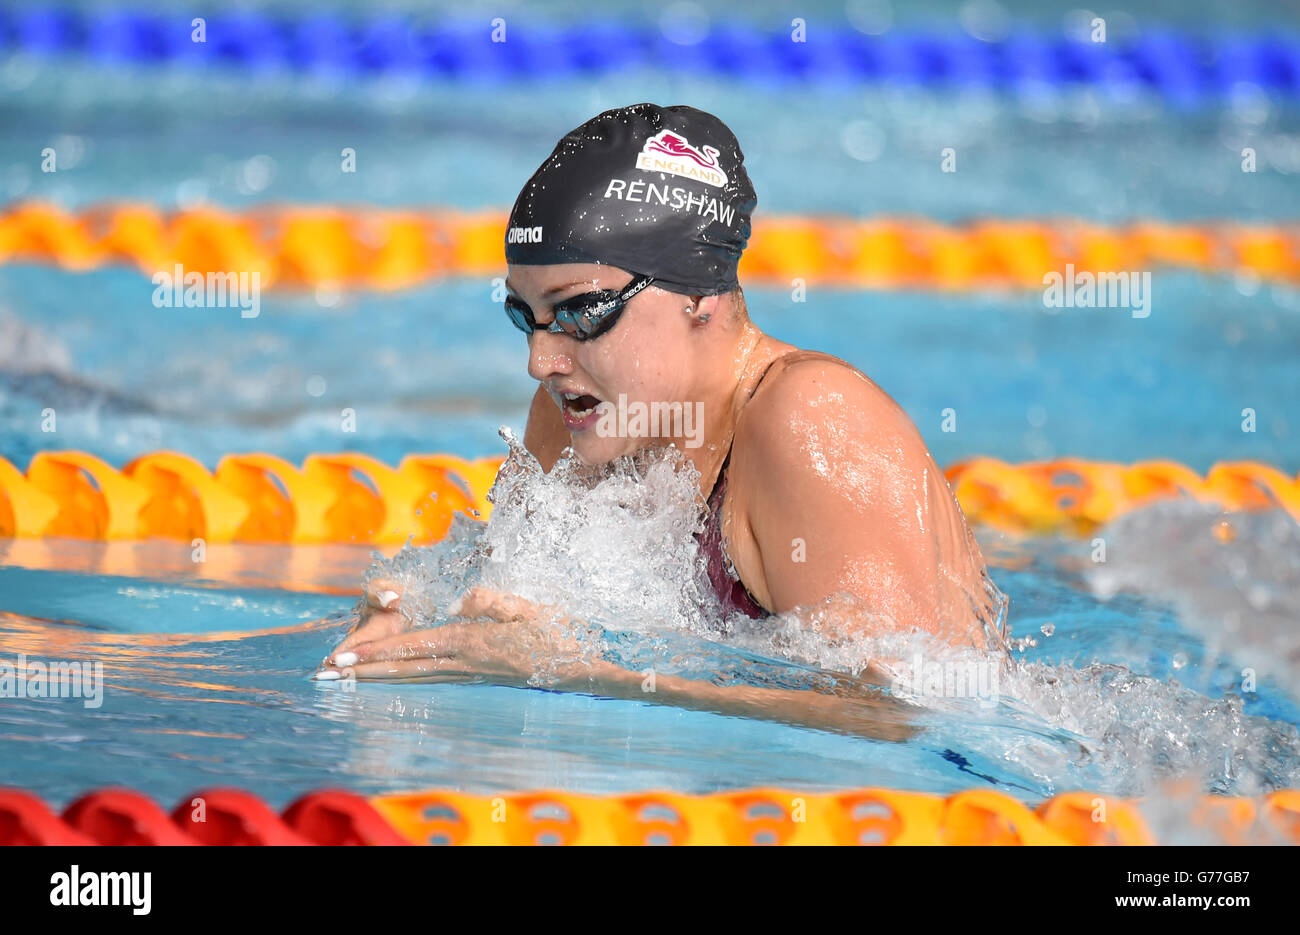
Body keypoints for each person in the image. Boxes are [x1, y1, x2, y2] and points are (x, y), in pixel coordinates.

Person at [314, 103, 1005, 738]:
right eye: (524, 316)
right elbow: (513, 623)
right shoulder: (572, 421)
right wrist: (419, 631)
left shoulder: (813, 419)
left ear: (699, 295)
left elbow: (907, 716)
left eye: (582, 311)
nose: (540, 359)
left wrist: (587, 675)